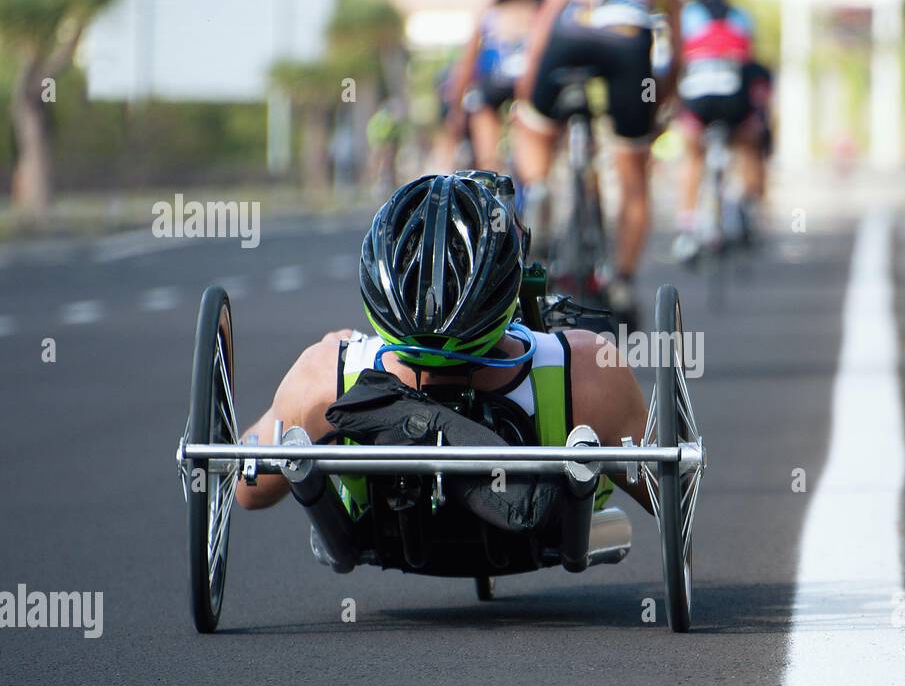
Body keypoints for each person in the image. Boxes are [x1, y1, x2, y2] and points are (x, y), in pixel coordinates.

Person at [235, 171, 652, 525]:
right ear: (510, 281)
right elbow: (669, 492)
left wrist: (332, 353)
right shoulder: (584, 368)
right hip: (548, 520)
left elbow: (247, 491)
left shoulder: (324, 376)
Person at [514, 0, 682, 325]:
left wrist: (527, 97)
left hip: (568, 40)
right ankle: (621, 280)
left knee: (532, 126)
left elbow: (541, 34)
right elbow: (677, 58)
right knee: (632, 173)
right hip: (628, 49)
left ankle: (537, 195)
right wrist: (653, 112)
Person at [673, 0, 772, 260]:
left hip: (696, 100)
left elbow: (675, 65)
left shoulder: (684, 17)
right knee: (750, 143)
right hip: (734, 99)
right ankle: (750, 207)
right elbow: (750, 64)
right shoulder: (739, 16)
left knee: (692, 154)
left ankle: (687, 225)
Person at [445, 0, 545, 172]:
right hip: (534, 83)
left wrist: (456, 106)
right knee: (535, 140)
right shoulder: (545, 7)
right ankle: (536, 180)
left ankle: (488, 168)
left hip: (495, 82)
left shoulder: (492, 9)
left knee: (483, 110)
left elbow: (467, 61)